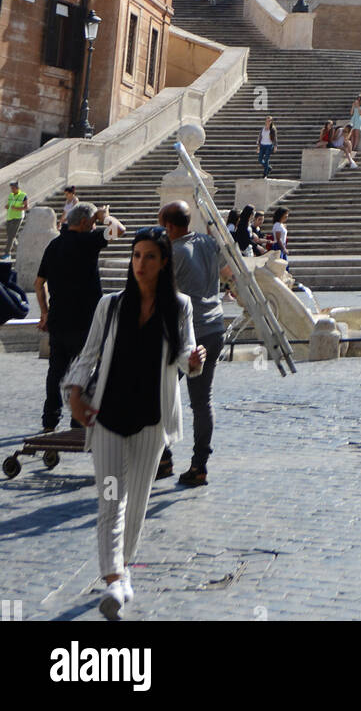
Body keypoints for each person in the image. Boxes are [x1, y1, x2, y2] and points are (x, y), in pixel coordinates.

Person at [64, 228, 205, 621]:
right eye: (136, 256)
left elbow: (185, 358)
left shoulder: (179, 307)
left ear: (164, 264)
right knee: (111, 499)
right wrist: (74, 392)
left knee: (137, 503)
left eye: (150, 258)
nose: (140, 264)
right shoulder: (109, 305)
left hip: (150, 421)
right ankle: (113, 578)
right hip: (107, 418)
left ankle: (122, 571)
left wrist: (196, 362)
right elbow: (87, 355)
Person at [156, 201, 232, 487]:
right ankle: (199, 465)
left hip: (185, 335)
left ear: (170, 226)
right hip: (214, 329)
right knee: (202, 402)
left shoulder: (172, 254)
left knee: (161, 393)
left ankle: (163, 458)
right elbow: (228, 274)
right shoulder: (206, 241)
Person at [34, 202, 126, 432]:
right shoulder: (88, 241)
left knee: (55, 371)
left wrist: (44, 313)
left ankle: (49, 421)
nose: (95, 225)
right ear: (85, 223)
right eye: (93, 222)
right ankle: (77, 423)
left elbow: (38, 283)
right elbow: (119, 230)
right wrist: (105, 216)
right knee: (83, 368)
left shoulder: (53, 245)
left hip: (57, 319)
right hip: (85, 320)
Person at [6, 180, 27, 253]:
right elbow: (9, 204)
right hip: (9, 217)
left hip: (18, 217)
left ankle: (7, 253)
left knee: (11, 236)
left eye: (13, 188)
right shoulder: (11, 195)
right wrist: (7, 206)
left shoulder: (23, 195)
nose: (11, 190)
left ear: (17, 188)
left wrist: (17, 208)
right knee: (10, 235)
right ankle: (19, 249)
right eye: (11, 188)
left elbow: (26, 207)